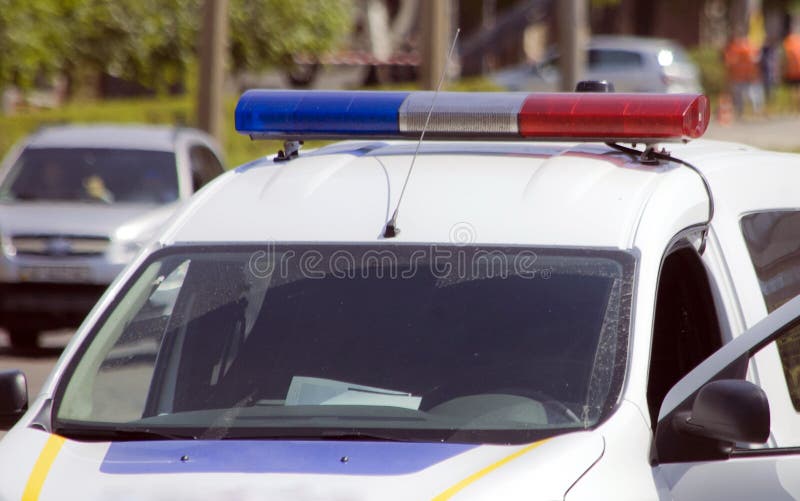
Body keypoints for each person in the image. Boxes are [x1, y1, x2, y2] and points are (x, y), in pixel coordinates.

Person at [724, 34, 765, 117]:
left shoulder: (734, 50)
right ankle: (753, 111)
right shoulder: (747, 49)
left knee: (744, 96)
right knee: (750, 95)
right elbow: (755, 61)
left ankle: (744, 111)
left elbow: (729, 64)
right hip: (745, 77)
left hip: (742, 77)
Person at [783, 30, 800, 111]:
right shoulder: (798, 44)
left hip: (791, 72)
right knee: (797, 89)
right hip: (798, 71)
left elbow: (786, 60)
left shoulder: (788, 46)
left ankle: (793, 107)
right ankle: (797, 106)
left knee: (793, 90)